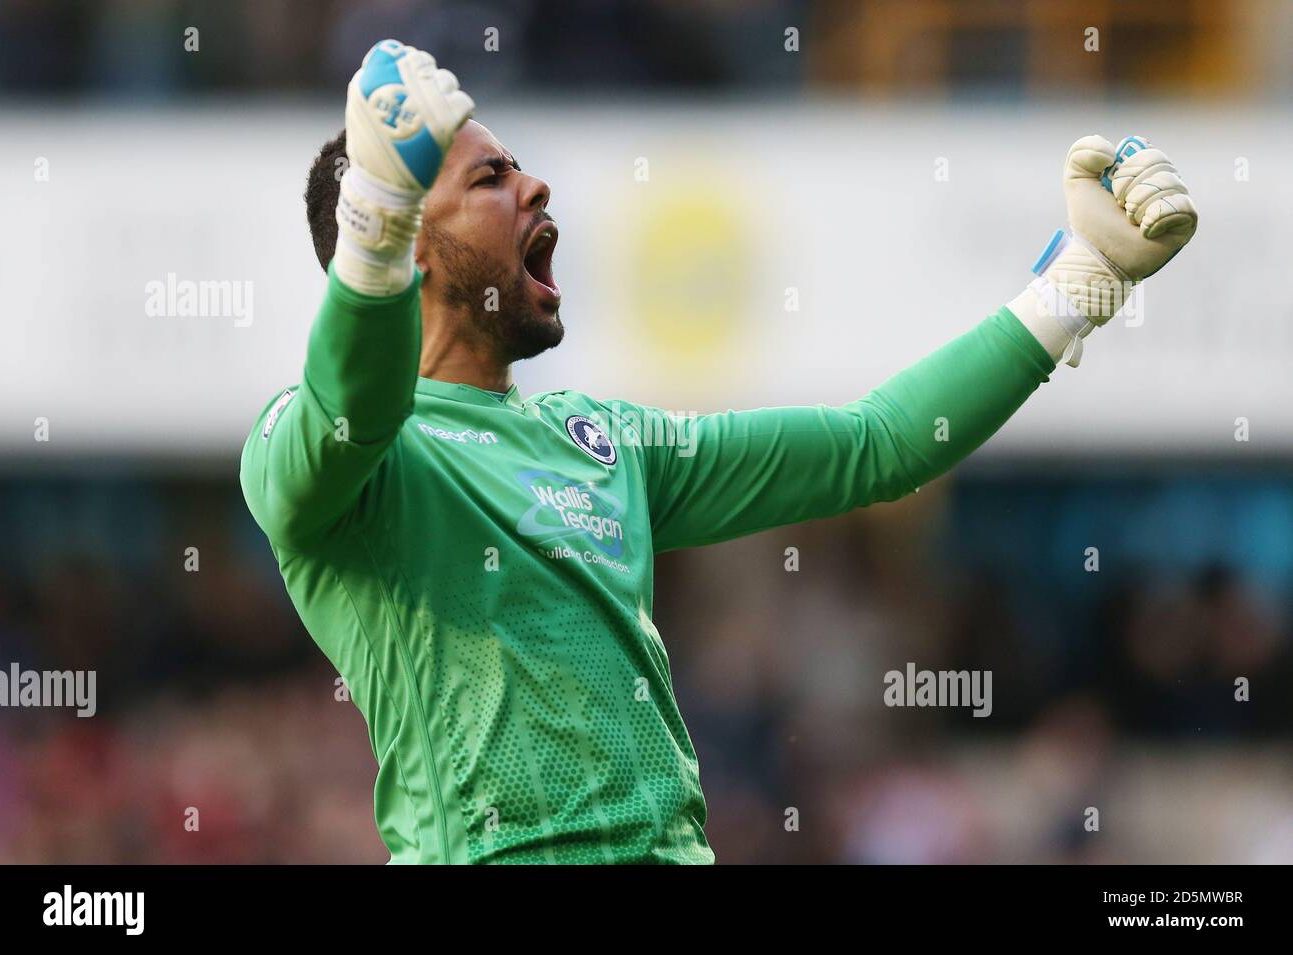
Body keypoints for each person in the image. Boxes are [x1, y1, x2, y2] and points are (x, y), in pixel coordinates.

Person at [240, 40, 1197, 864]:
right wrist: (373, 206)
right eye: (489, 179)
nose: (533, 184)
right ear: (403, 245)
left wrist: (1082, 279)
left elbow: (880, 445)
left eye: (518, 165)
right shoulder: (337, 456)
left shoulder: (602, 440)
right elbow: (351, 403)